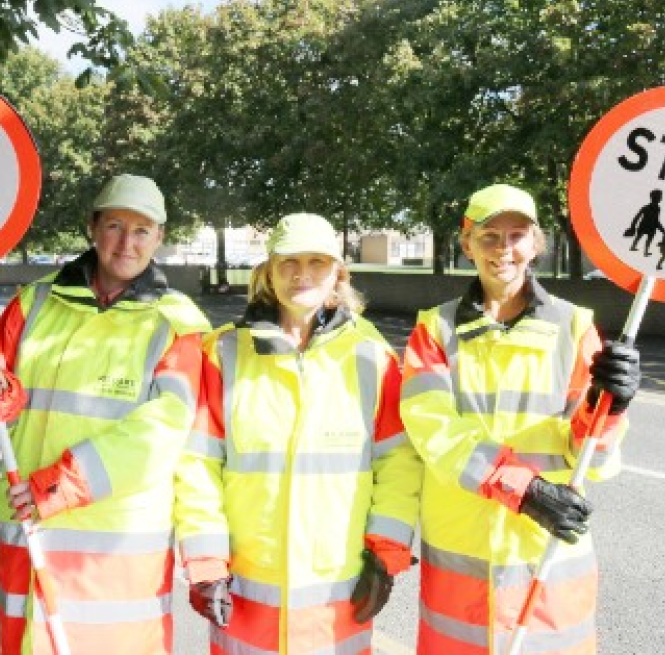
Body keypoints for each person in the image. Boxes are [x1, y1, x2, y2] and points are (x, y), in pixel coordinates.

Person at [0, 174, 211, 654]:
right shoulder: (33, 303)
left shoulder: (176, 324)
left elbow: (162, 432)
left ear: (159, 237)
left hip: (116, 549)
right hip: (29, 534)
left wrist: (58, 486)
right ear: (92, 228)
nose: (127, 242)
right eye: (115, 225)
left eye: (141, 230)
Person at [400, 184, 641, 654]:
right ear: (467, 244)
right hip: (463, 560)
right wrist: (523, 489)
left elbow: (590, 456)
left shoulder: (575, 327)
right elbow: (434, 431)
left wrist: (609, 407)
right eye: (489, 236)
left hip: (545, 558)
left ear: (535, 244)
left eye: (517, 236)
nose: (503, 249)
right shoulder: (434, 330)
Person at [174, 213, 423, 654]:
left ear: (338, 274)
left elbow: (398, 463)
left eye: (316, 262)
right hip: (246, 598)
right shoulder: (224, 353)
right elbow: (197, 465)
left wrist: (386, 555)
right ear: (268, 271)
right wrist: (207, 563)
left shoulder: (372, 356)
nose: (301, 274)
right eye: (289, 261)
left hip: (338, 602)